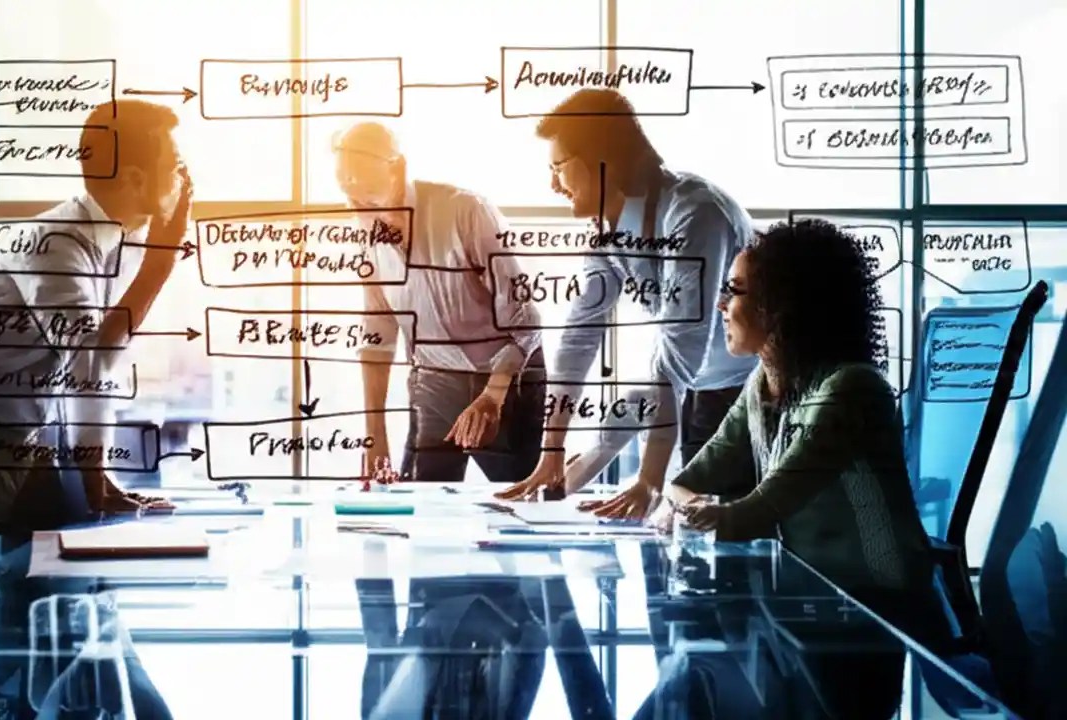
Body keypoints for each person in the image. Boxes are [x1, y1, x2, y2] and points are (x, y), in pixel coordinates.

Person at [598, 218, 951, 646]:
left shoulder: (851, 388)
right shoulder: (762, 383)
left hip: (882, 614)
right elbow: (683, 484)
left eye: (736, 291)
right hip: (815, 605)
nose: (721, 306)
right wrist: (697, 506)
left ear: (781, 305)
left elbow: (755, 514)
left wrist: (699, 510)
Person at [0, 99, 187, 554]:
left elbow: (87, 376)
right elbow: (89, 358)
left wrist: (95, 474)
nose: (183, 181)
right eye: (176, 166)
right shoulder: (53, 243)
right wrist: (162, 263)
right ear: (134, 180)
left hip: (24, 433)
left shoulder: (119, 242)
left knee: (60, 568)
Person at [497, 88, 756, 510]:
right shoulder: (606, 230)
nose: (552, 184)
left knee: (732, 533)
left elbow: (678, 351)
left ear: (603, 160)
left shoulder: (696, 215)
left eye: (558, 167)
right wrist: (553, 455)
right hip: (698, 387)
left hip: (751, 389)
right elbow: (579, 338)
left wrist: (649, 479)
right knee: (691, 524)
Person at [331, 121, 545, 484]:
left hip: (507, 379)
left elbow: (525, 317)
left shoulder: (466, 211)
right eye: (346, 189)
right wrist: (375, 438)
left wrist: (493, 396)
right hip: (434, 381)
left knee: (523, 498)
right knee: (420, 498)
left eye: (364, 189)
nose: (355, 202)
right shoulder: (366, 237)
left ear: (396, 168)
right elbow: (377, 339)